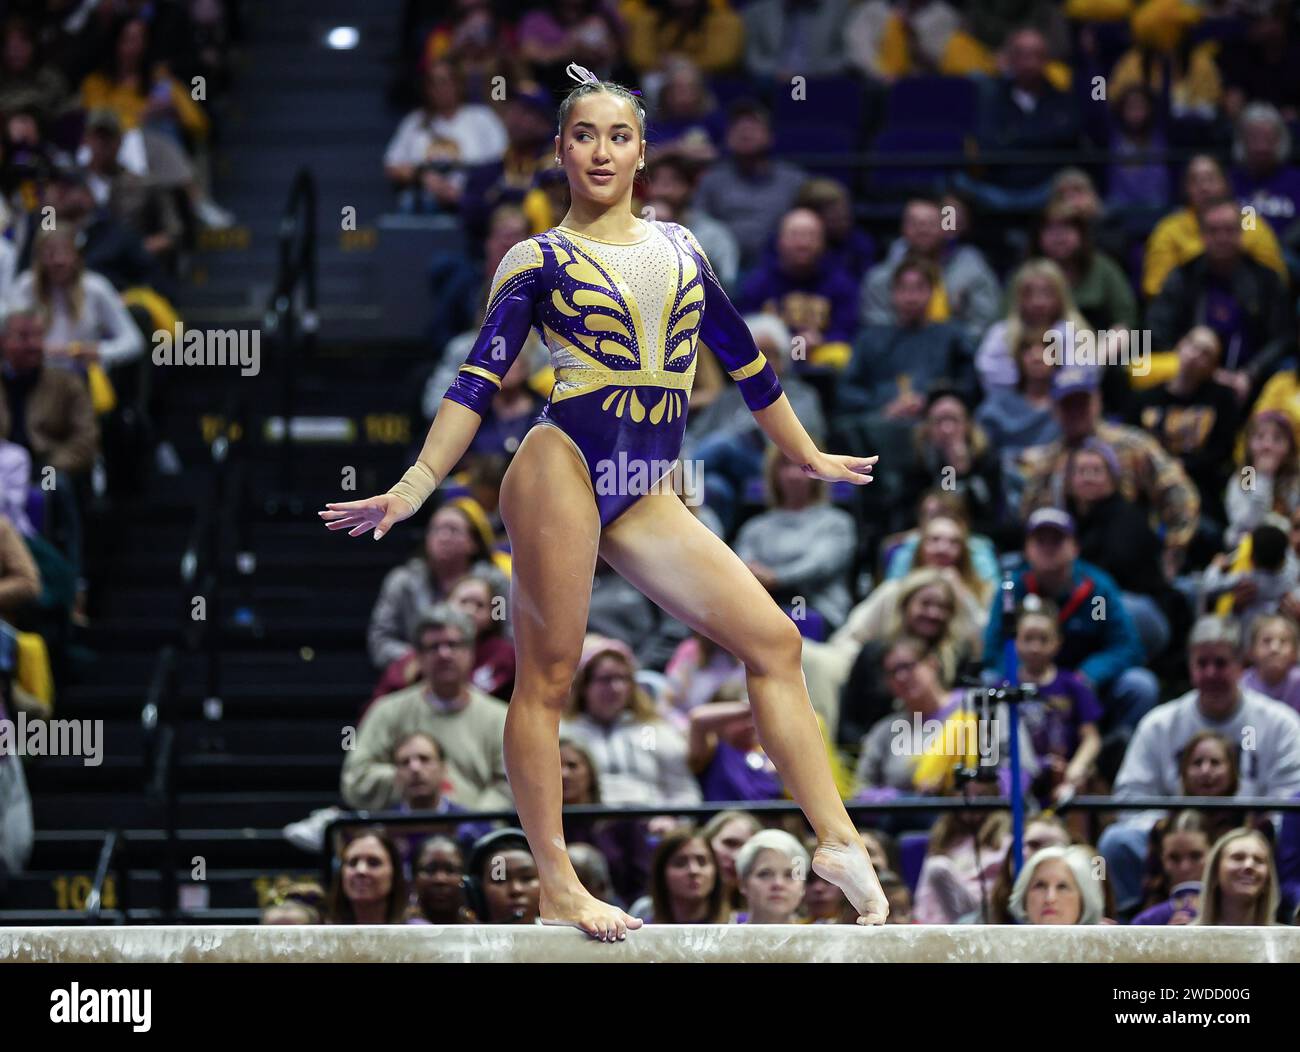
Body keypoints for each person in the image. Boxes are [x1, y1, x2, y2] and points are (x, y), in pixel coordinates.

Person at [323, 65, 890, 938]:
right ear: (558, 151)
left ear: (642, 152)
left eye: (617, 135)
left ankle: (838, 838)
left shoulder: (685, 250)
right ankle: (555, 879)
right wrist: (412, 486)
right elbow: (477, 384)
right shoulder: (538, 257)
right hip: (561, 466)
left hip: (643, 484)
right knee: (549, 676)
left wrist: (808, 454)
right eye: (582, 135)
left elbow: (748, 366)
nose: (599, 150)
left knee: (776, 641)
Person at [342, 606, 512, 811]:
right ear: (418, 658)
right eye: (433, 647)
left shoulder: (500, 718)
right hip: (400, 831)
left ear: (470, 653)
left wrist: (469, 821)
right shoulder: (387, 711)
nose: (444, 654)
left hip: (478, 833)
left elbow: (512, 783)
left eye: (453, 644)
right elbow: (355, 779)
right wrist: (408, 776)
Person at [630, 826, 731, 923]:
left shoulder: (741, 925)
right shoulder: (643, 931)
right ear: (662, 873)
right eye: (680, 863)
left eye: (702, 861)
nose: (694, 870)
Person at [1132, 811, 1210, 926]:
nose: (1185, 867)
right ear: (1162, 859)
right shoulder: (1145, 922)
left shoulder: (1236, 913)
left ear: (1214, 854)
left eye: (1196, 856)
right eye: (1174, 858)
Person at [1194, 828, 1281, 926]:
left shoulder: (1290, 939)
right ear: (1215, 872)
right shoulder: (1184, 937)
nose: (1249, 865)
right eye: (1238, 858)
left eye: (1258, 860)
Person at [325, 831, 412, 924]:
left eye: (373, 862)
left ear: (394, 873)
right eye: (353, 862)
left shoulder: (419, 930)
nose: (361, 870)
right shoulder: (319, 931)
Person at [1007, 845, 1106, 925]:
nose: (1050, 898)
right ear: (1024, 897)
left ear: (1084, 899)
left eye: (1062, 887)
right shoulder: (1004, 948)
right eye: (1040, 886)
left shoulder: (1108, 947)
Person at [733, 828, 809, 924]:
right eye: (765, 874)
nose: (778, 884)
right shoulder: (720, 938)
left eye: (790, 875)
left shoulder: (822, 939)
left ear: (803, 886)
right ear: (743, 883)